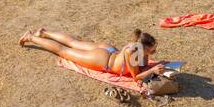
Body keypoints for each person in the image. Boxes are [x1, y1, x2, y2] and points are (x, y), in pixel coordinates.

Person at [19, 26, 177, 91]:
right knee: (64, 50)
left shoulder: (136, 47)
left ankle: (44, 32)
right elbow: (136, 77)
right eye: (153, 49)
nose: (155, 51)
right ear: (143, 48)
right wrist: (153, 69)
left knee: (73, 43)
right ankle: (31, 37)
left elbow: (142, 67)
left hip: (108, 50)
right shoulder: (134, 53)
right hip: (102, 60)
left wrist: (154, 65)